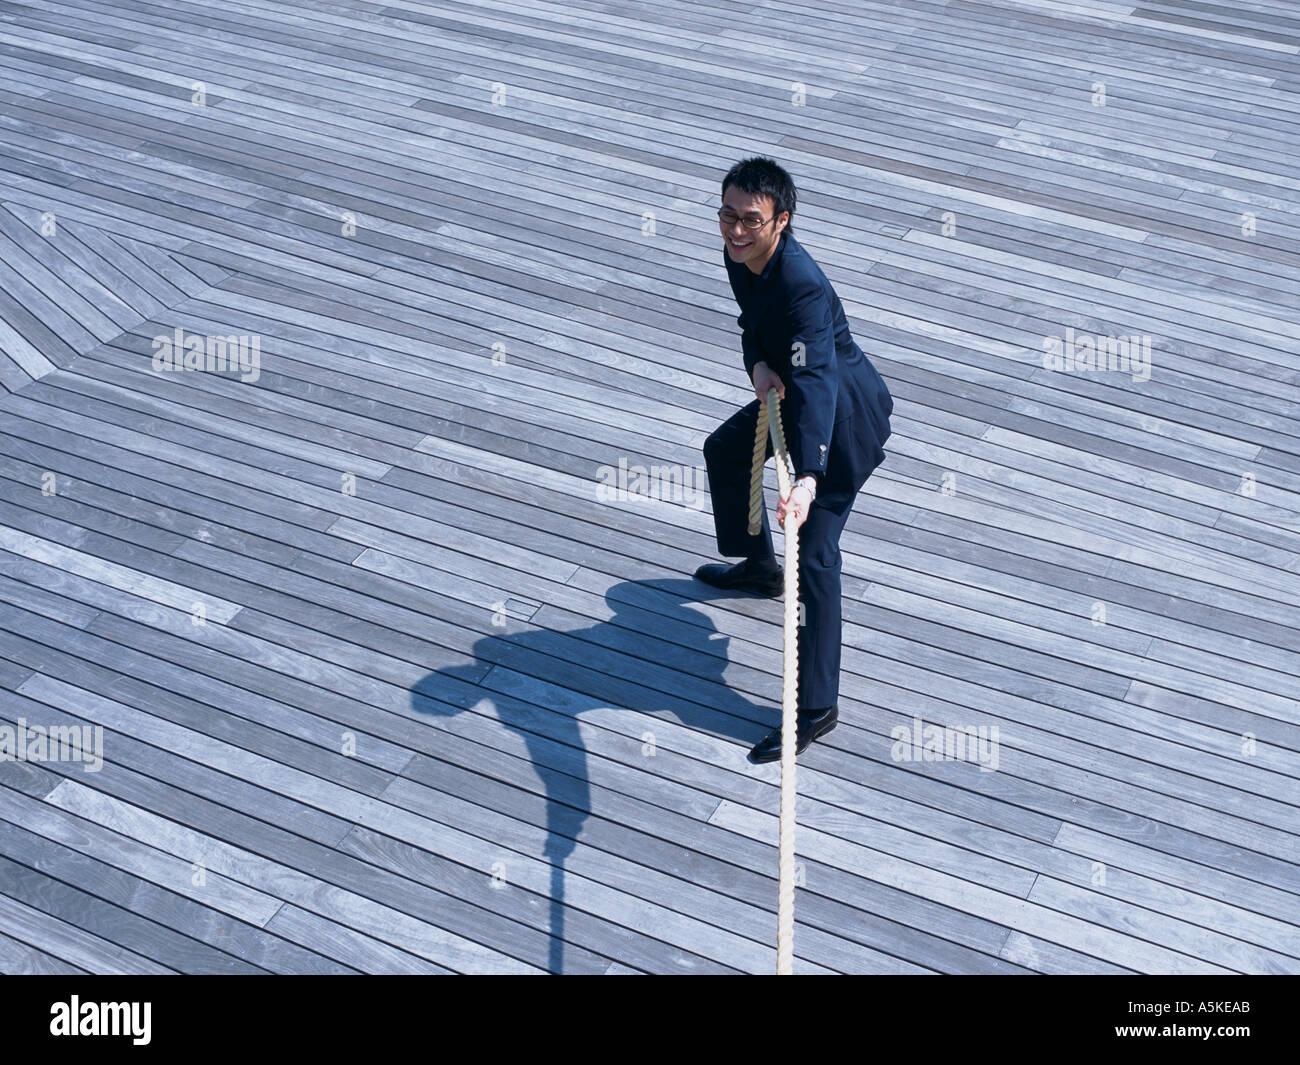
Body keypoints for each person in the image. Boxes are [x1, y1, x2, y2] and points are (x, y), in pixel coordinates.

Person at [695, 157, 894, 764]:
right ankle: (759, 568)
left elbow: (821, 379)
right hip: (791, 395)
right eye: (727, 215)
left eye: (750, 220)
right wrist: (755, 359)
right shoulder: (743, 254)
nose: (734, 230)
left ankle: (817, 706)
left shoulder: (801, 281)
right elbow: (753, 321)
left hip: (839, 418)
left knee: (816, 551)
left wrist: (806, 476)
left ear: (782, 221)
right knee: (726, 450)